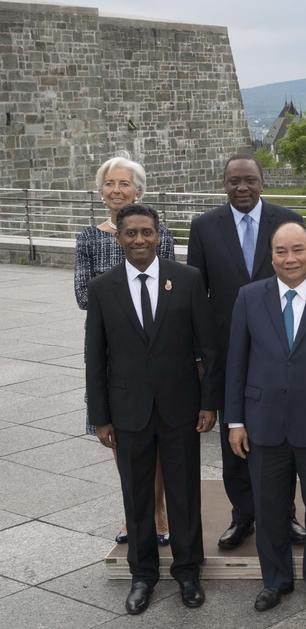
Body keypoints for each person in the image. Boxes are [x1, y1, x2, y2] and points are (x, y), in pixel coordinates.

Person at [85, 204, 221, 615]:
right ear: (119, 238)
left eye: (147, 232)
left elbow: (208, 348)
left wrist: (208, 403)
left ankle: (187, 571)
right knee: (138, 496)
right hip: (128, 412)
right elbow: (96, 356)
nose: (139, 240)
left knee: (183, 493)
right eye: (131, 233)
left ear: (159, 236)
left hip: (181, 407)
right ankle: (142, 574)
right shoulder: (103, 288)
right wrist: (101, 416)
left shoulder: (187, 280)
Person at [225, 221, 306, 612]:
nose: (290, 258)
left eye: (298, 249)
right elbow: (237, 363)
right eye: (281, 251)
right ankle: (276, 581)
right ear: (271, 255)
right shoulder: (249, 298)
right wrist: (235, 420)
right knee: (268, 510)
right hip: (263, 423)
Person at [187, 153, 306, 551]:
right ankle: (244, 515)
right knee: (232, 435)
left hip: (281, 349)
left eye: (249, 180)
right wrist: (201, 355)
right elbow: (197, 297)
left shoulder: (287, 221)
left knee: (282, 434)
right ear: (224, 183)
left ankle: (285, 513)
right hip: (226, 351)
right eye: (234, 181)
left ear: (262, 181)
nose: (242, 187)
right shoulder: (204, 227)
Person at [75, 155, 174, 547]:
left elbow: (168, 288)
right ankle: (135, 510)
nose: (117, 190)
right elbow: (85, 294)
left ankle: (159, 510)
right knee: (120, 435)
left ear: (138, 190)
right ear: (101, 191)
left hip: (157, 345)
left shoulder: (157, 233)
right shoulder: (88, 237)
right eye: (110, 184)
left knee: (160, 434)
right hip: (112, 349)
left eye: (124, 184)